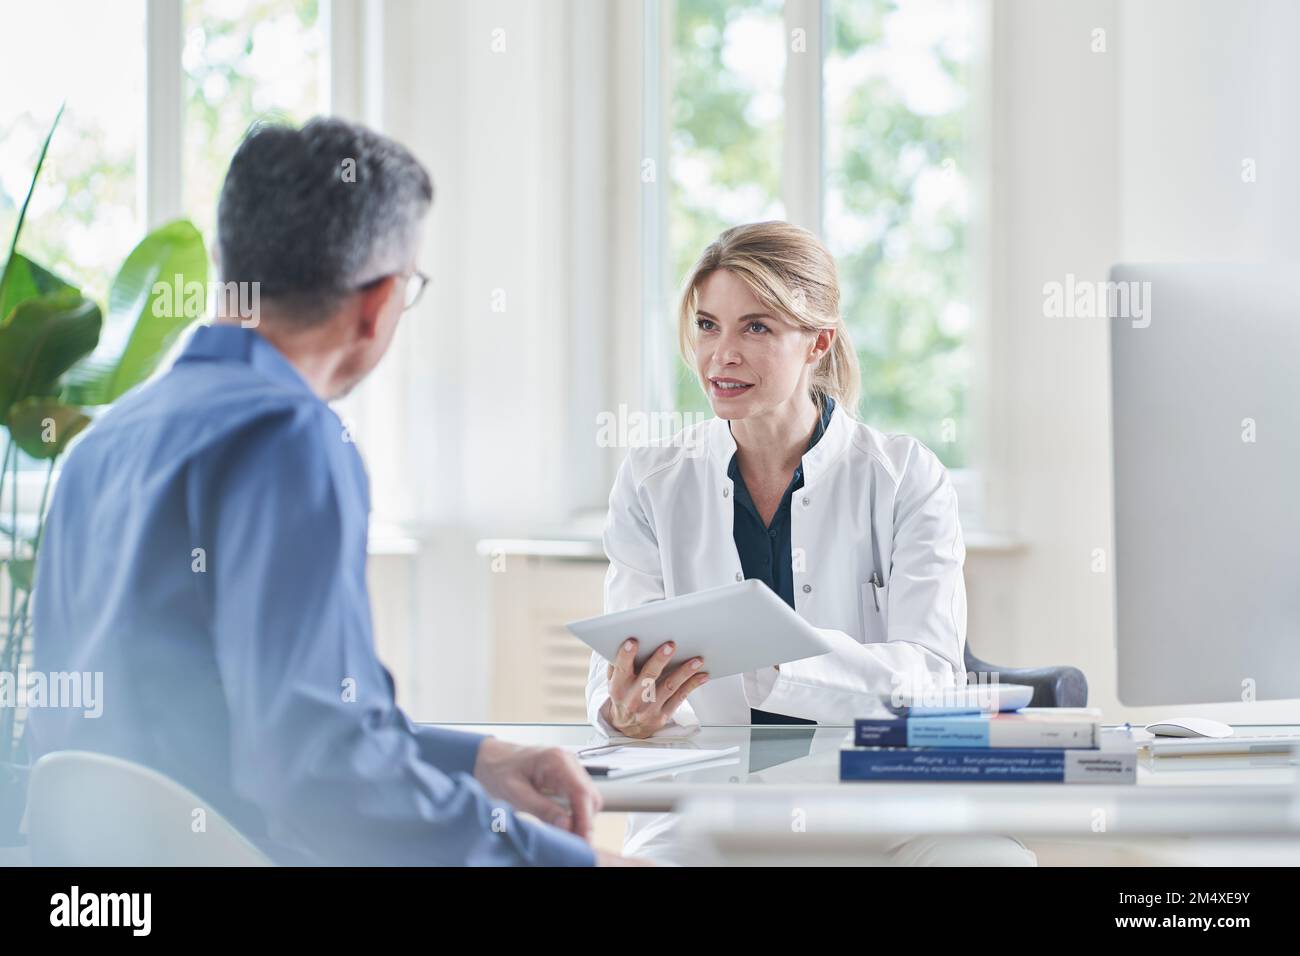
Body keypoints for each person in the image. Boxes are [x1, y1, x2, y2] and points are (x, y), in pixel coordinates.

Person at [29, 118, 631, 866]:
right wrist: (572, 863)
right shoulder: (288, 436)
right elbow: (323, 776)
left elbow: (241, 727)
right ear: (378, 303)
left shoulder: (100, 444)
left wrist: (476, 758)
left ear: (228, 264)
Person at [585, 221, 1035, 865]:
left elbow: (931, 679)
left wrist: (781, 662)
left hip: (886, 807)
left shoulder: (906, 476)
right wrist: (626, 710)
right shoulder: (653, 480)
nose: (722, 355)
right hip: (710, 808)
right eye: (708, 325)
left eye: (756, 327)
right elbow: (617, 665)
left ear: (818, 341)